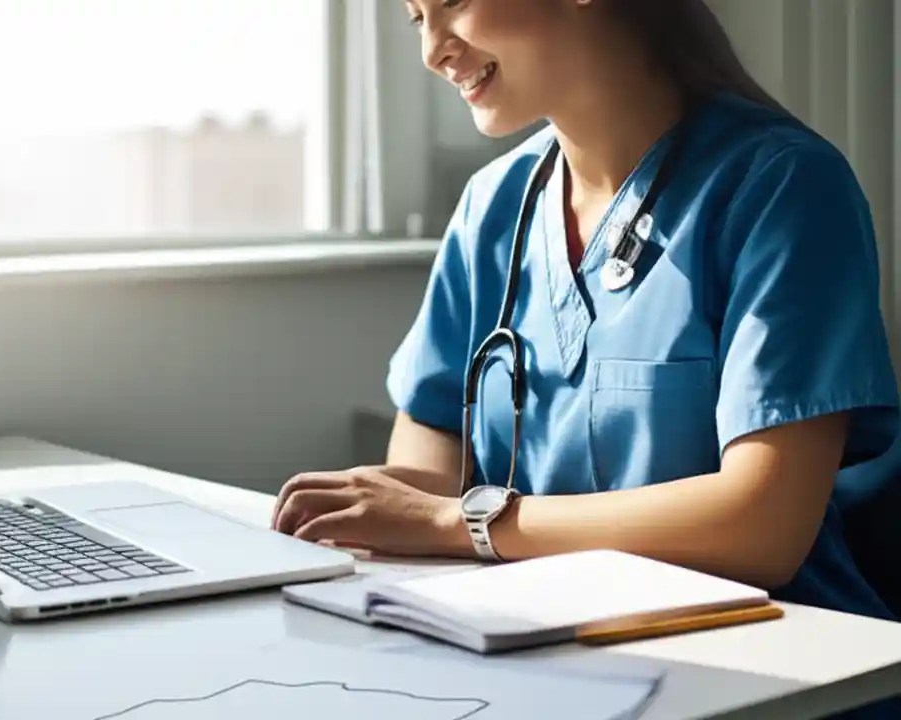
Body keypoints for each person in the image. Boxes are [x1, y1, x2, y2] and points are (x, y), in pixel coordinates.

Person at [271, 0, 901, 661]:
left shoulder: (782, 187)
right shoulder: (493, 208)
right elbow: (427, 474)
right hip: (546, 661)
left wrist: (459, 521)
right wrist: (372, 513)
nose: (433, 51)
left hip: (778, 667)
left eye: (451, 4)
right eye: (416, 19)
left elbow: (764, 528)